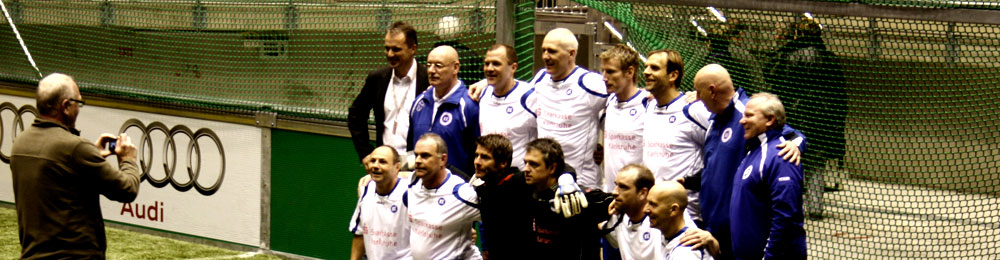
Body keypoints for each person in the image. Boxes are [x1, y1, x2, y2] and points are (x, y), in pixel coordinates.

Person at [11, 73, 140, 259]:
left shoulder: (20, 143)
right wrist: (128, 159)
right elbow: (126, 190)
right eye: (78, 103)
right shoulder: (76, 149)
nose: (79, 108)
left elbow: (59, 179)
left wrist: (91, 154)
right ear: (65, 106)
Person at [687, 64, 804, 259]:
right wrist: (688, 181)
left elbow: (792, 135)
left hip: (744, 238)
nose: (696, 98)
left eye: (699, 92)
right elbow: (716, 169)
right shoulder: (717, 122)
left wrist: (796, 144)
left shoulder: (750, 118)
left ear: (713, 91)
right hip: (718, 232)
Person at [767, 17, 848, 219]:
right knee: (816, 163)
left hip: (795, 116)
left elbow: (780, 86)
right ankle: (815, 208)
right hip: (822, 118)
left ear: (799, 34)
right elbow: (839, 93)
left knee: (791, 159)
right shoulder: (830, 59)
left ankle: (789, 206)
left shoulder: (788, 57)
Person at [731, 93, 807, 259]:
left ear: (770, 119)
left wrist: (770, 256)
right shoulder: (753, 151)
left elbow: (785, 217)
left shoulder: (781, 156)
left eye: (749, 115)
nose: (742, 121)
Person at [530, 28, 608, 189]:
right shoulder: (541, 78)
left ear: (571, 54)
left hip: (581, 183)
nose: (545, 56)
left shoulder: (590, 83)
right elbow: (516, 92)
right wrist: (487, 84)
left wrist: (648, 95)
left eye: (552, 51)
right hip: (547, 180)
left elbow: (624, 95)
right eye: (543, 50)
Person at [640, 49, 710, 223]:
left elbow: (720, 151)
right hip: (653, 212)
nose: (646, 71)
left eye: (654, 68)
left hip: (686, 217)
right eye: (646, 66)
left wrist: (696, 181)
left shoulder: (693, 110)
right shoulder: (648, 106)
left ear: (673, 75)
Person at [349, 21, 430, 161]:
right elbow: (356, 115)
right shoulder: (377, 79)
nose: (390, 54)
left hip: (418, 164)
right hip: (385, 164)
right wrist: (366, 153)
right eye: (387, 49)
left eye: (396, 49)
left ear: (413, 48)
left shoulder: (428, 80)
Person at [524, 138, 613, 260]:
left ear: (552, 168)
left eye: (533, 164)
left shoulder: (576, 196)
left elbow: (616, 201)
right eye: (525, 163)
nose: (526, 169)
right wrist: (566, 174)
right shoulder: (526, 190)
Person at [406, 133, 482, 259]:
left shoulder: (461, 193)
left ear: (443, 159)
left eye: (425, 156)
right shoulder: (411, 183)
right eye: (416, 155)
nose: (418, 160)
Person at [407, 45, 480, 175]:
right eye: (428, 65)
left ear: (455, 68)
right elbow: (411, 147)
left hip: (457, 184)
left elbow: (477, 153)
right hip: (421, 184)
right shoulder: (419, 102)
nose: (431, 70)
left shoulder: (469, 105)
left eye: (438, 66)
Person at [471, 134, 533, 259]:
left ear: (503, 163)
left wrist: (566, 178)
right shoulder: (481, 189)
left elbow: (560, 168)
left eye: (485, 157)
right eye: (476, 155)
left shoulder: (522, 182)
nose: (477, 162)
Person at [477, 44, 536, 170]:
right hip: (489, 175)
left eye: (496, 64)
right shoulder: (483, 93)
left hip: (519, 176)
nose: (489, 68)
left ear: (513, 67)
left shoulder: (529, 97)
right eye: (487, 64)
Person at [599, 44, 648, 193]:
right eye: (603, 71)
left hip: (637, 195)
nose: (604, 77)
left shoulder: (648, 104)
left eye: (610, 71)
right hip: (611, 192)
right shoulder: (609, 101)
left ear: (629, 72)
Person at [349, 146, 411, 260]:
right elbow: (359, 233)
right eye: (373, 161)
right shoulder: (366, 189)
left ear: (397, 167)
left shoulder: (410, 192)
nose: (375, 166)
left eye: (382, 162)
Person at [601, 164, 662, 259]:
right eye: (616, 185)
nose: (614, 192)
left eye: (623, 187)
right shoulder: (617, 217)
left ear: (643, 193)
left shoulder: (662, 224)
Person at [644, 181, 713, 260]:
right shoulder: (667, 230)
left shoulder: (686, 253)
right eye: (647, 202)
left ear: (674, 210)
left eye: (653, 204)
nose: (645, 210)